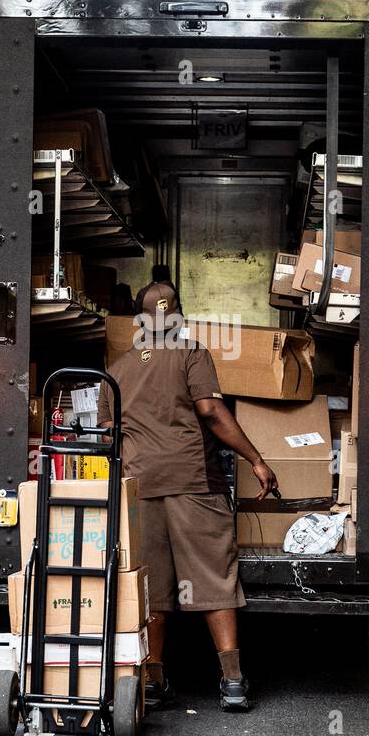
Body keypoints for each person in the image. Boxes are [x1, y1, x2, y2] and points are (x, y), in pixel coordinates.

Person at [98, 281, 277, 712]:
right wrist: (255, 459)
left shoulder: (117, 371)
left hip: (140, 489)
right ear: (178, 317)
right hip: (194, 483)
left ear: (140, 322)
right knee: (213, 579)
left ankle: (154, 679)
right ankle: (232, 680)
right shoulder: (191, 353)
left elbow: (105, 435)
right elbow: (211, 411)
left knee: (153, 587)